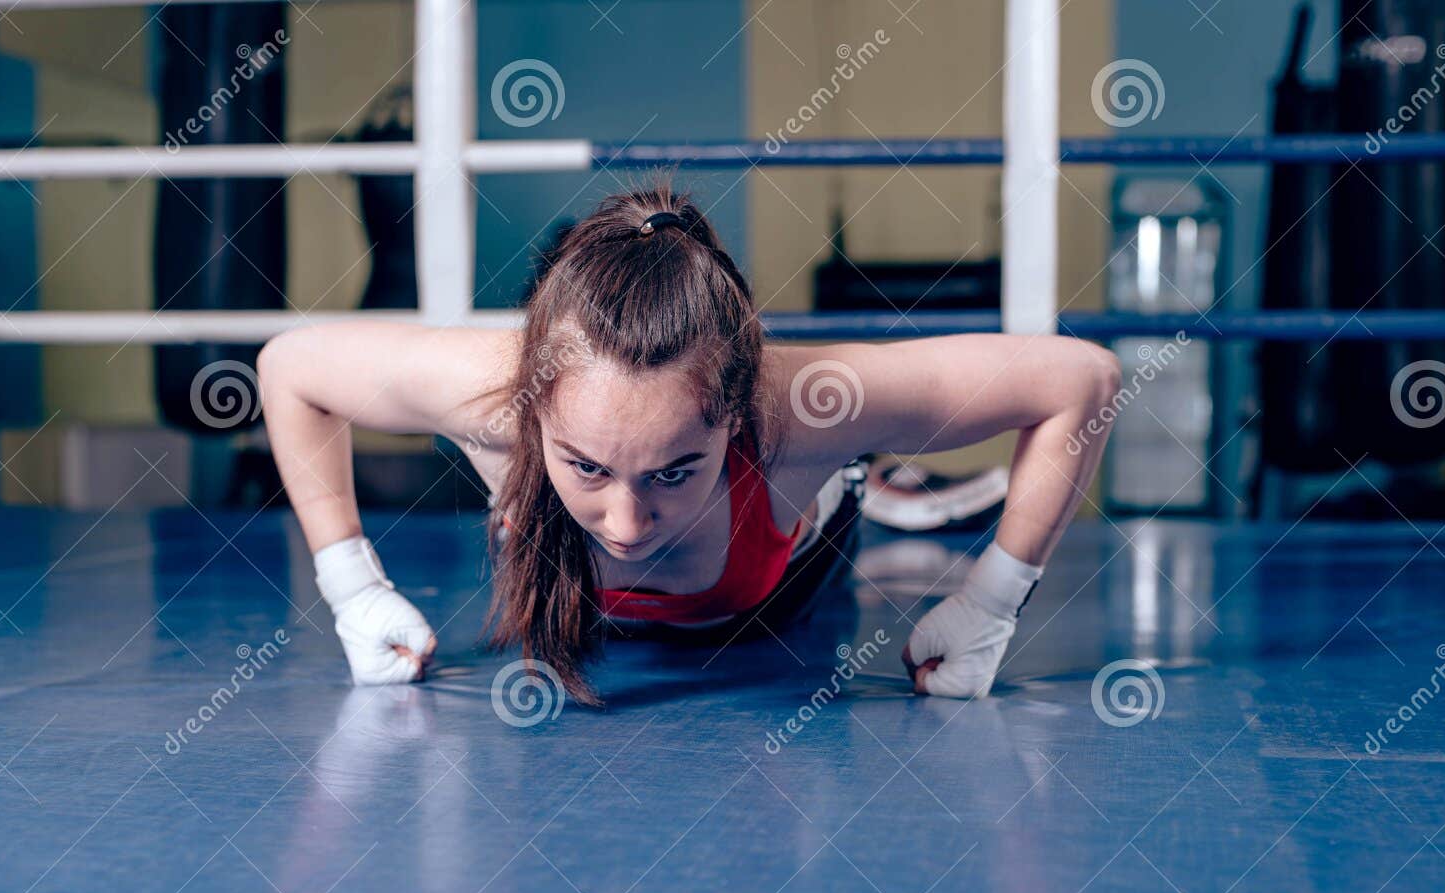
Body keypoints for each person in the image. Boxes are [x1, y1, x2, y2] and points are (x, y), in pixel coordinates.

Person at [256, 183, 1121, 707]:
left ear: (734, 413)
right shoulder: (493, 394)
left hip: (786, 562)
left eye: (675, 469)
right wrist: (352, 589)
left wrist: (990, 604)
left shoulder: (802, 406)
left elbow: (1079, 380)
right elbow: (291, 368)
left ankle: (878, 477)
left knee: (844, 453)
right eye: (586, 466)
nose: (627, 522)